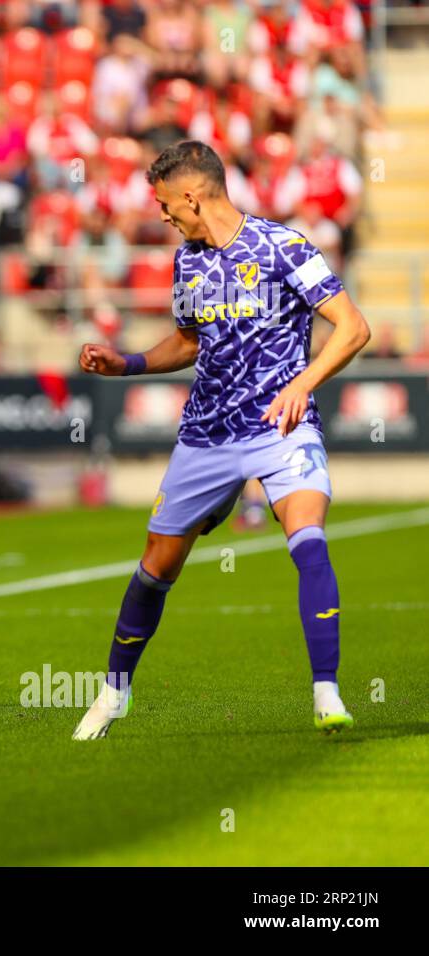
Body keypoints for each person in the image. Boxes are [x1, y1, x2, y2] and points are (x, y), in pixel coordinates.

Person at [73, 140, 370, 740]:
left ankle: (326, 692)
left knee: (308, 538)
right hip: (207, 435)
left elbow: (353, 327)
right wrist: (126, 363)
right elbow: (187, 342)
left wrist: (302, 385)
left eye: (164, 203)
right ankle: (113, 693)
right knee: (156, 569)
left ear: (191, 194)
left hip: (280, 426)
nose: (161, 215)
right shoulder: (188, 260)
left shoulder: (284, 247)